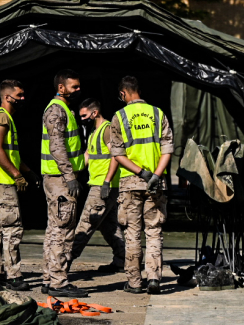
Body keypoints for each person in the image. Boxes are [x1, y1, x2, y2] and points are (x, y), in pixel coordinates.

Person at [108, 76, 173, 295]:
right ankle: (154, 278)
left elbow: (118, 154)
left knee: (133, 233)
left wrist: (141, 172)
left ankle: (135, 283)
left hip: (130, 183)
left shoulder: (119, 116)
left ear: (123, 94)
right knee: (154, 231)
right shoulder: (158, 113)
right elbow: (167, 148)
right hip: (155, 184)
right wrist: (155, 175)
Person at [0, 79, 36, 291]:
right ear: (6, 96)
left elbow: (10, 152)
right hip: (2, 179)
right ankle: (13, 275)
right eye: (19, 95)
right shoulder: (2, 117)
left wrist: (27, 171)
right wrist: (16, 175)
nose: (22, 98)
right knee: (12, 227)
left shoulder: (2, 117)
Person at [39, 69, 88, 298]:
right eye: (74, 87)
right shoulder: (57, 111)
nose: (78, 90)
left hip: (58, 178)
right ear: (61, 88)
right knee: (63, 230)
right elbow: (57, 147)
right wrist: (70, 176)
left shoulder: (64, 109)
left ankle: (49, 278)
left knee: (54, 229)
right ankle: (58, 281)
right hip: (60, 180)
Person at [68, 99, 125, 273]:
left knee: (85, 226)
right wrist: (72, 174)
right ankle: (124, 261)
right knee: (110, 227)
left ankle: (64, 263)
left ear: (94, 113)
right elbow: (88, 155)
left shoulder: (107, 130)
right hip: (101, 184)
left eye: (84, 115)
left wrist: (107, 181)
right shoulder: (94, 131)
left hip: (102, 186)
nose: (82, 119)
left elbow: (116, 155)